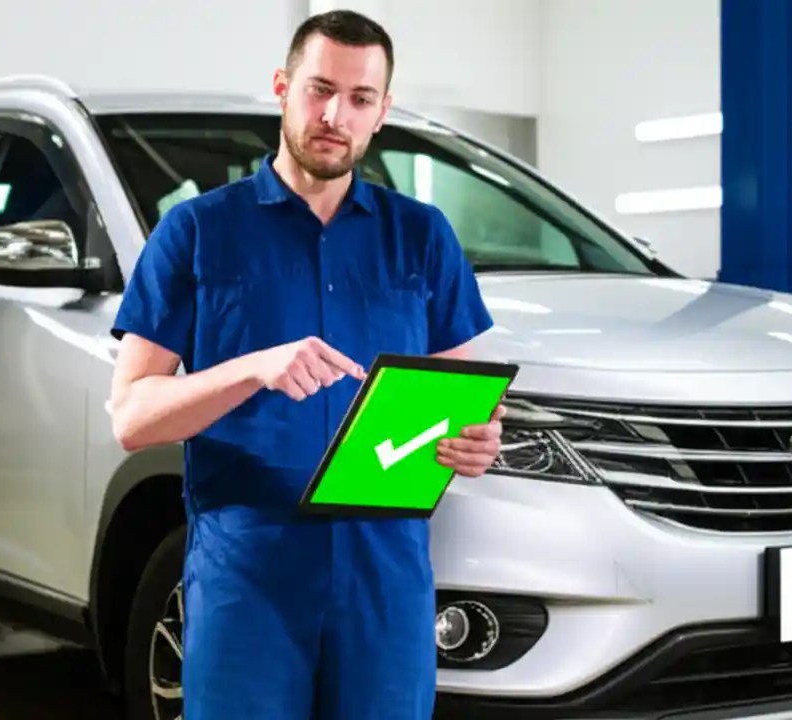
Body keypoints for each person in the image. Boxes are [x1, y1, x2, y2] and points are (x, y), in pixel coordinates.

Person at [108, 9, 505, 719]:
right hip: (248, 573)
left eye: (359, 99)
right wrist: (251, 370)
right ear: (282, 87)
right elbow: (132, 417)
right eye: (319, 89)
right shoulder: (198, 232)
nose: (334, 114)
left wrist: (476, 441)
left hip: (385, 575)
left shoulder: (421, 237)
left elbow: (459, 395)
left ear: (382, 113)